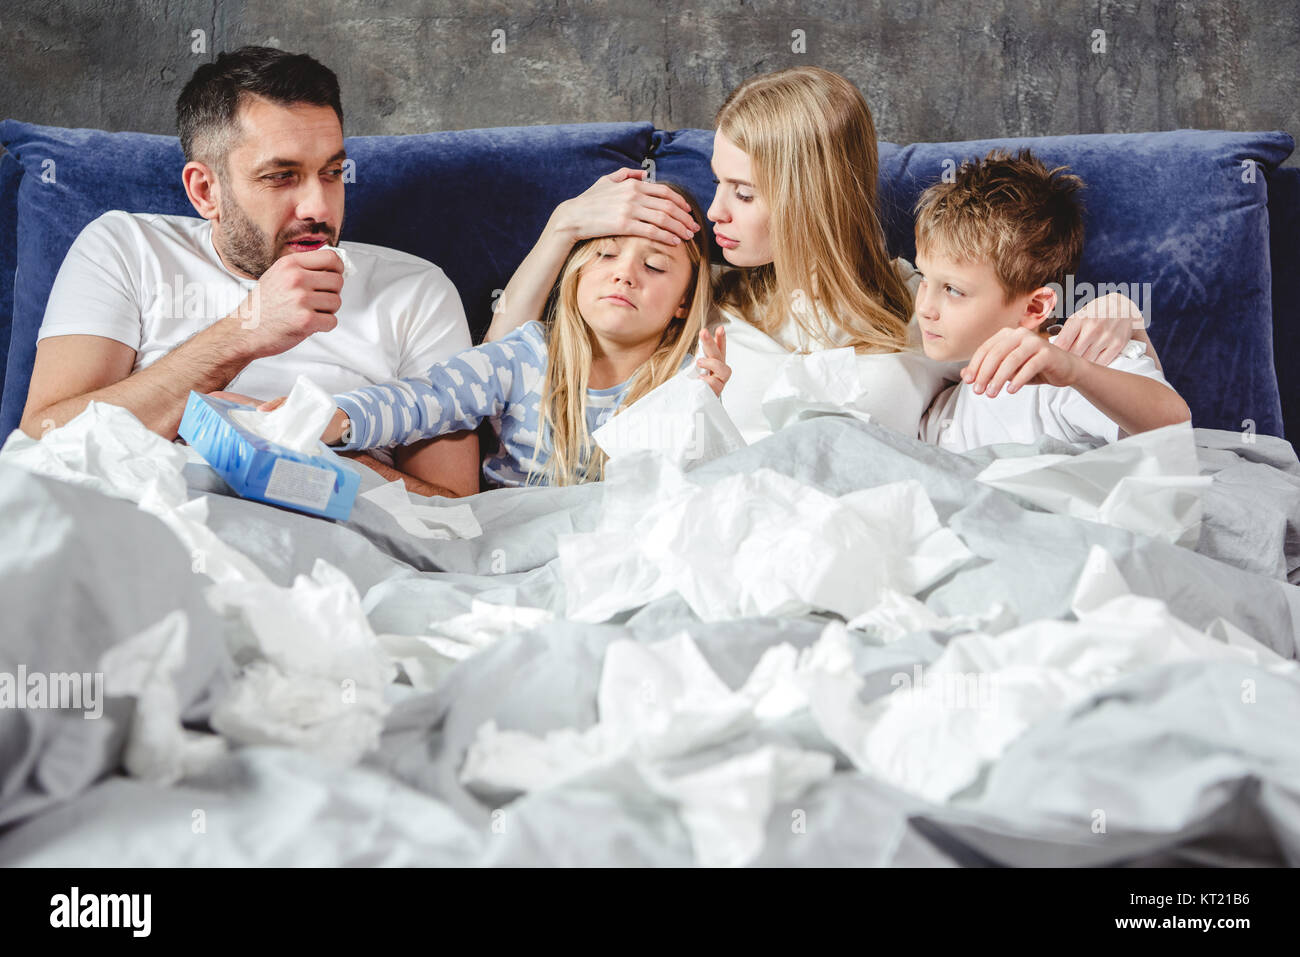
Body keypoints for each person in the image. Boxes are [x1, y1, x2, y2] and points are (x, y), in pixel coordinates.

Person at [488, 66, 1155, 444]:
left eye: (742, 192)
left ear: (811, 199)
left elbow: (1031, 341)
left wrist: (1115, 309)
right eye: (718, 181)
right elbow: (502, 362)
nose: (713, 211)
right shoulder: (699, 296)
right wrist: (562, 227)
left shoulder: (920, 309)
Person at [19, 46, 479, 497]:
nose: (319, 208)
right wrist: (243, 334)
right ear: (206, 191)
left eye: (333, 172)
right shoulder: (125, 247)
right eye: (281, 176)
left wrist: (286, 437)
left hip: (337, 546)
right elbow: (42, 444)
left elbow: (455, 512)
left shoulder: (416, 290)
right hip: (144, 530)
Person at [265, 185, 726, 487]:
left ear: (685, 301)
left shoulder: (690, 378)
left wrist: (706, 408)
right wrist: (339, 417)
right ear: (576, 273)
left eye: (654, 266)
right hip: (515, 545)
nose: (624, 274)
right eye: (606, 254)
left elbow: (701, 485)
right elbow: (427, 397)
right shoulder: (523, 356)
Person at [914, 150, 1190, 450]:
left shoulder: (1065, 363)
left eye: (953, 290)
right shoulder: (949, 388)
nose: (925, 308)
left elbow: (1174, 424)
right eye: (924, 278)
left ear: (1034, 308)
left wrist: (1076, 371)